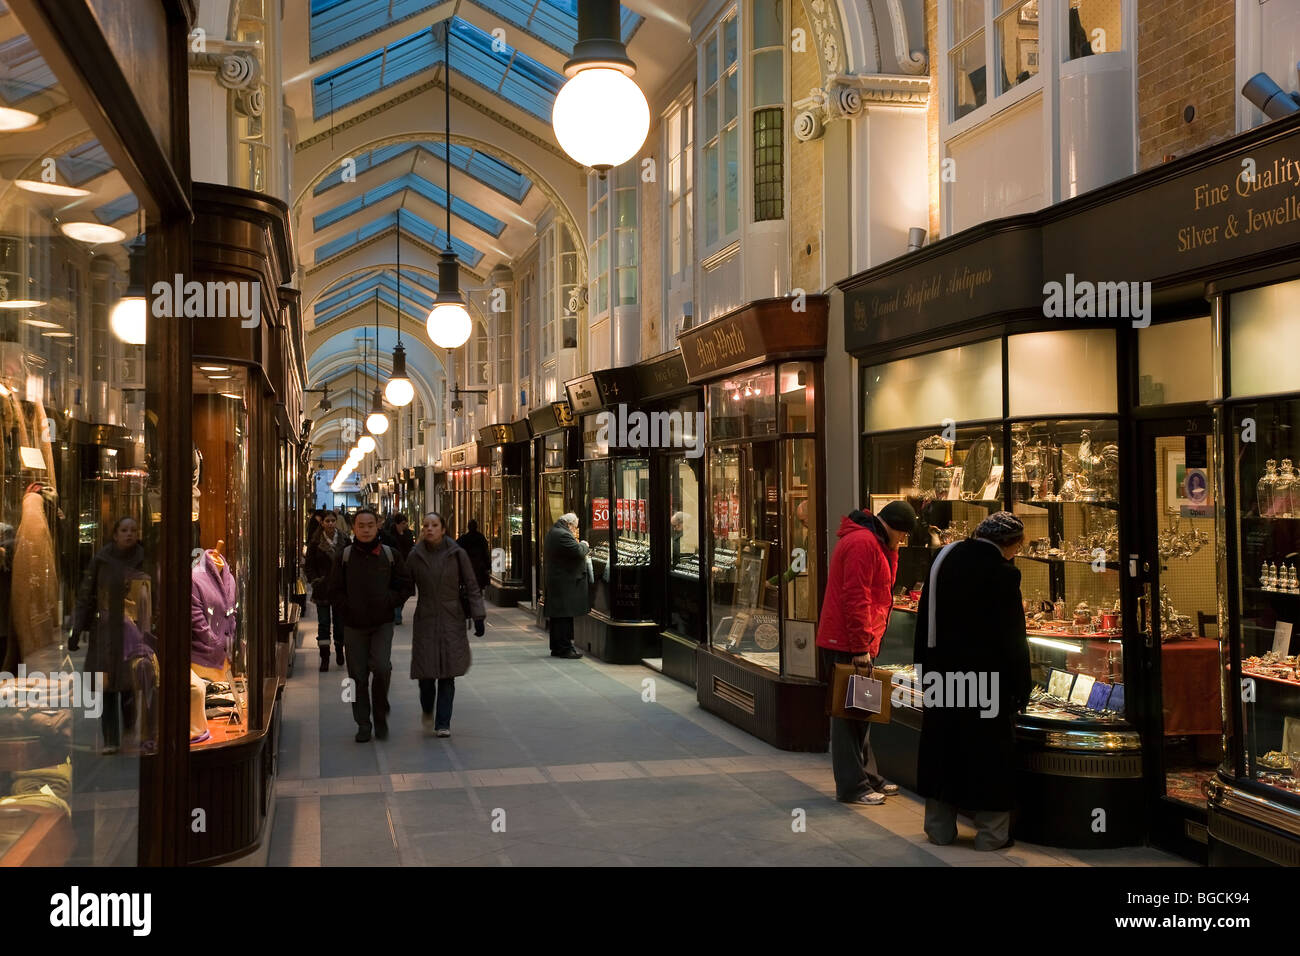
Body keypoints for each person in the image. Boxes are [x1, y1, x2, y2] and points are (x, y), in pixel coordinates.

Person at [914, 511, 1032, 851]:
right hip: (986, 680)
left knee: (942, 748)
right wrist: (1019, 687)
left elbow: (926, 620)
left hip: (941, 675)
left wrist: (923, 670)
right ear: (1011, 544)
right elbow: (1012, 637)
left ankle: (939, 829)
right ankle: (991, 835)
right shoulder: (1002, 573)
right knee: (990, 754)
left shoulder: (943, 557)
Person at [815, 500, 917, 805]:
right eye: (902, 536)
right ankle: (852, 787)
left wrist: (892, 551)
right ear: (893, 528)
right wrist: (860, 647)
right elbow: (856, 597)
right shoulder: (863, 543)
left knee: (863, 712)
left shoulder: (873, 541)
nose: (902, 542)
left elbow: (879, 588)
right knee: (849, 718)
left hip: (857, 641)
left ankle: (866, 777)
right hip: (847, 643)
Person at [325, 508, 413, 742]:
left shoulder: (390, 554)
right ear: (353, 528)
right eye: (361, 525)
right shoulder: (343, 557)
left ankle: (381, 712)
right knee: (356, 676)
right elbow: (333, 590)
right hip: (353, 626)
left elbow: (405, 586)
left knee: (382, 668)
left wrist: (390, 602)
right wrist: (347, 608)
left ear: (377, 527)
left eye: (370, 525)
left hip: (382, 623)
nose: (365, 530)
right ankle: (363, 722)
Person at [70, 518, 154, 754]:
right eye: (124, 530)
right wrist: (77, 630)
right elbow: (86, 594)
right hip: (105, 632)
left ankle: (129, 732)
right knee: (107, 686)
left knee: (130, 682)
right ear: (115, 534)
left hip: (132, 631)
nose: (129, 534)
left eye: (133, 530)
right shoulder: (102, 560)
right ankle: (110, 739)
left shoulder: (143, 558)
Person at [407, 512, 485, 737]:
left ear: (443, 529)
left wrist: (478, 616)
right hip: (426, 618)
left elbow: (471, 584)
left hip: (452, 618)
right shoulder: (415, 555)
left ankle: (443, 723)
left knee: (448, 674)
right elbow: (403, 584)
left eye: (434, 525)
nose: (429, 529)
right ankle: (427, 710)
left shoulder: (456, 554)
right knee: (426, 675)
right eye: (425, 525)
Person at [305, 510, 347, 671]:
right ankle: (324, 657)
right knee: (323, 623)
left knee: (339, 622)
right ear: (322, 523)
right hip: (322, 588)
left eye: (332, 521)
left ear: (336, 522)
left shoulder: (344, 541)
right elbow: (309, 565)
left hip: (339, 589)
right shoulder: (315, 543)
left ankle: (339, 651)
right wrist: (315, 580)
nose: (330, 523)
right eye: (327, 521)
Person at [543, 513, 588, 659]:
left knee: (558, 617)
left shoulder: (553, 531)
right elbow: (578, 551)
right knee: (564, 617)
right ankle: (565, 648)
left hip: (558, 581)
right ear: (569, 524)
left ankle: (557, 647)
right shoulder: (563, 535)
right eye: (575, 527)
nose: (575, 531)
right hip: (564, 583)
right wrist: (584, 544)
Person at [381, 514, 416, 625]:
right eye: (403, 524)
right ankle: (396, 615)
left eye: (405, 523)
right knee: (396, 589)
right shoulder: (389, 534)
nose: (405, 525)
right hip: (394, 565)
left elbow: (410, 545)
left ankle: (397, 611)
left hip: (407, 564)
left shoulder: (408, 533)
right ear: (397, 524)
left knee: (405, 590)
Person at [456, 518, 491, 594]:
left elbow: (456, 548)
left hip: (468, 566)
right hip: (478, 567)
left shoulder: (464, 538)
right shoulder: (481, 538)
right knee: (478, 587)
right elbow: (485, 552)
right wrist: (488, 565)